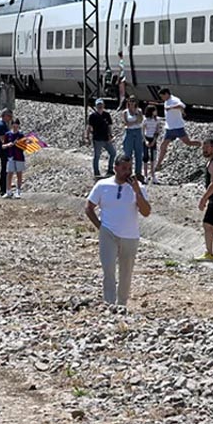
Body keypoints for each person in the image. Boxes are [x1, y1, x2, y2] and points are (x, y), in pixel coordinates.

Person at [84, 154, 151, 308]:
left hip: (130, 235)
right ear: (115, 168)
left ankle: (122, 304)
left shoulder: (138, 188)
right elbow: (89, 207)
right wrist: (100, 227)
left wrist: (137, 192)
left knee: (126, 273)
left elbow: (146, 212)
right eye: (124, 168)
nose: (127, 172)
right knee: (108, 269)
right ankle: (109, 303)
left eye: (129, 168)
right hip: (108, 233)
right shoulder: (102, 185)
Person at [154, 88, 200, 173]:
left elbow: (182, 106)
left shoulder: (174, 100)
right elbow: (180, 110)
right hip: (170, 128)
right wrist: (182, 112)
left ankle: (202, 144)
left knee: (188, 142)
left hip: (178, 127)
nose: (162, 98)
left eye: (162, 96)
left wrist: (171, 108)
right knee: (163, 146)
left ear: (166, 94)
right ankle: (158, 165)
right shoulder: (166, 101)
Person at [86, 99, 116, 178]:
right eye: (98, 105)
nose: (100, 107)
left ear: (103, 105)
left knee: (113, 153)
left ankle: (110, 170)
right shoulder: (92, 116)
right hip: (97, 139)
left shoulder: (107, 115)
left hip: (106, 138)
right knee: (97, 156)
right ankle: (96, 173)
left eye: (101, 105)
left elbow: (109, 126)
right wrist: (87, 137)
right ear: (96, 106)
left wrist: (111, 135)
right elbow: (89, 127)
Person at [2, 118, 27, 199]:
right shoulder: (7, 134)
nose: (15, 126)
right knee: (9, 174)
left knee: (19, 174)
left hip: (19, 157)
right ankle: (8, 191)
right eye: (13, 124)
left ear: (18, 125)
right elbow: (3, 146)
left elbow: (25, 147)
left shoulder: (21, 135)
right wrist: (8, 145)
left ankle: (18, 191)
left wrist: (19, 144)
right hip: (10, 156)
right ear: (11, 125)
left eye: (16, 124)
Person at [120, 96, 145, 178]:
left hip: (138, 132)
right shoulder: (125, 112)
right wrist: (135, 121)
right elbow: (125, 123)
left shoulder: (139, 111)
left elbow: (140, 120)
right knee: (128, 154)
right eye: (130, 101)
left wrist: (133, 121)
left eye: (134, 101)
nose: (132, 102)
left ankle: (138, 173)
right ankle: (128, 172)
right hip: (129, 132)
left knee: (139, 154)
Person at [0, 108, 12, 197]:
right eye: (9, 116)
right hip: (3, 150)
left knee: (6, 169)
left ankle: (5, 188)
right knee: (5, 169)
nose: (10, 118)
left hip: (5, 150)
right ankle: (3, 189)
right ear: (4, 115)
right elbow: (3, 140)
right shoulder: (1, 125)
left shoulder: (3, 124)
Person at [142, 104, 160, 182]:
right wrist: (145, 140)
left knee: (153, 158)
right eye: (154, 110)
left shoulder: (157, 120)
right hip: (146, 138)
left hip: (153, 139)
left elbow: (157, 130)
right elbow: (142, 131)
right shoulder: (145, 120)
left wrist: (154, 140)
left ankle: (153, 175)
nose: (156, 112)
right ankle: (145, 175)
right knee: (145, 158)